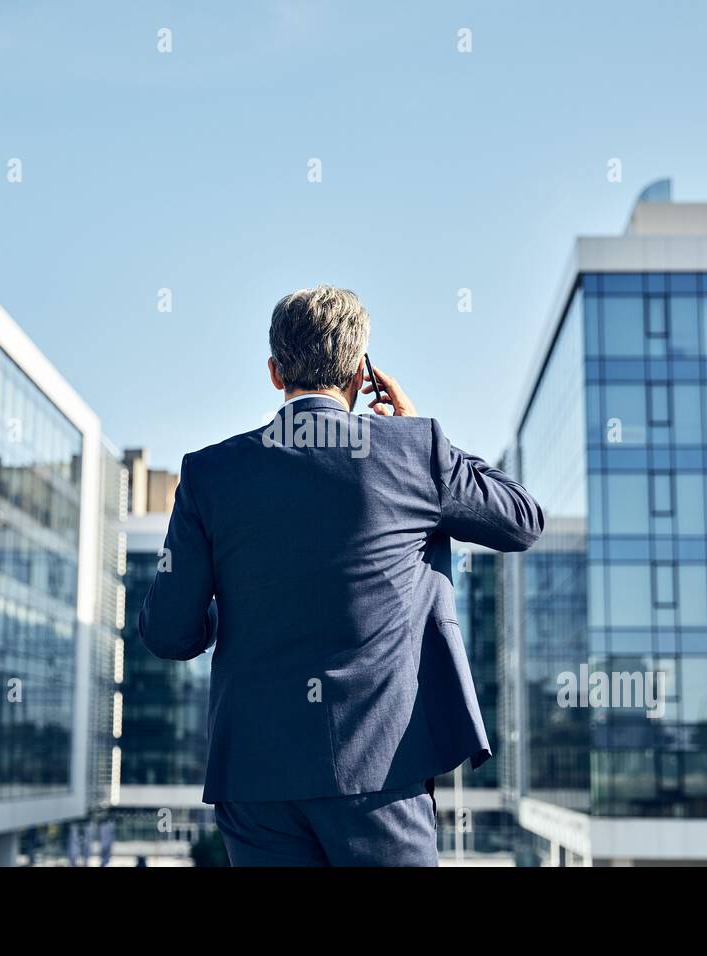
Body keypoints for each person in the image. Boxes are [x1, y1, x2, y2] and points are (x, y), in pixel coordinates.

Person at [139, 285, 543, 866]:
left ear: (275, 372)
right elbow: (522, 519)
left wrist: (228, 603)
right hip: (382, 768)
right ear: (361, 372)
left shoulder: (209, 474)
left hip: (256, 778)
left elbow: (169, 633)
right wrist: (422, 431)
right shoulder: (415, 452)